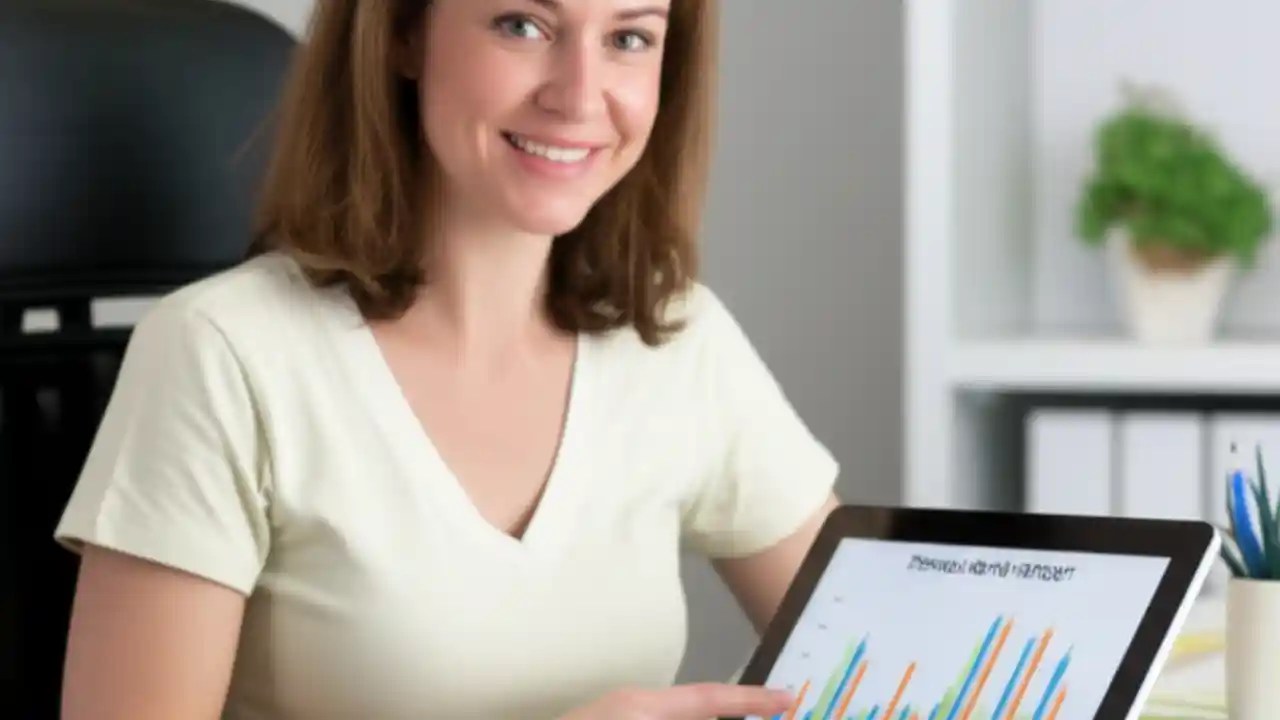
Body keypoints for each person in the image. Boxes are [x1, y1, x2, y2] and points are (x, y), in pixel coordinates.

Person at [54, 0, 841, 718]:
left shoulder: (675, 339)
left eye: (628, 38)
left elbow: (876, 642)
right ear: (402, 33)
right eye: (522, 25)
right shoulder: (224, 351)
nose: (579, 94)